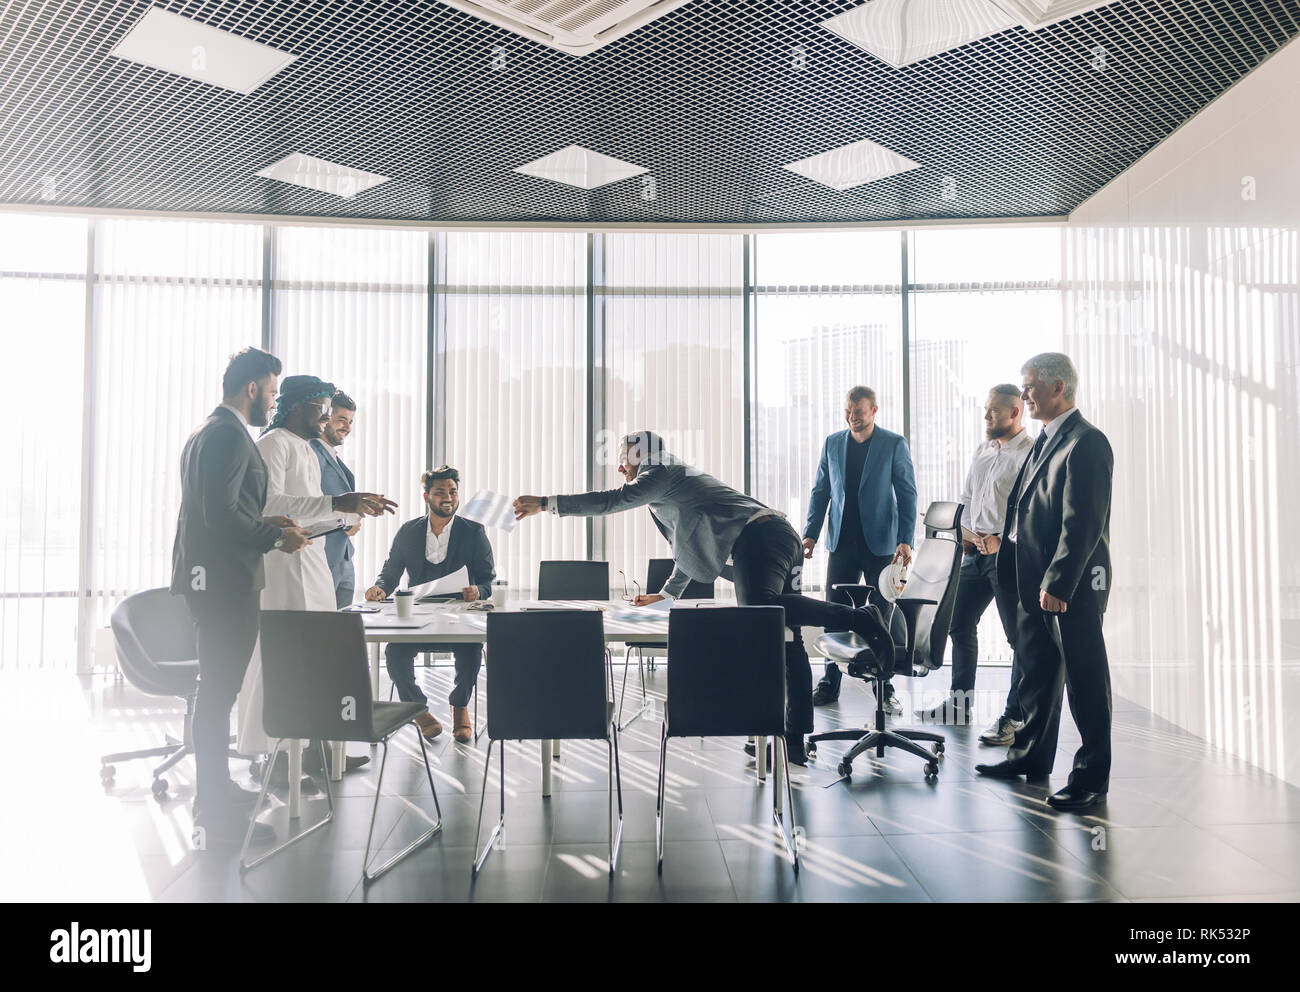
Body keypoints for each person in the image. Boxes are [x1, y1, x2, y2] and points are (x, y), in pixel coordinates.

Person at [513, 431, 897, 766]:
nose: (620, 469)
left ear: (642, 453)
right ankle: (794, 742)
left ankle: (860, 619)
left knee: (761, 615)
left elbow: (614, 500)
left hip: (761, 539)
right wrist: (666, 596)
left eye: (622, 460)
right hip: (776, 536)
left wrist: (548, 503)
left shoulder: (660, 470)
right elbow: (691, 546)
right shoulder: (671, 485)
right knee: (785, 636)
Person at [171, 346, 310, 846]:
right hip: (226, 585)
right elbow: (222, 518)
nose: (273, 402)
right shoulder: (229, 437)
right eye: (272, 392)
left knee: (217, 694)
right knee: (218, 697)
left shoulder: (206, 432)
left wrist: (267, 521)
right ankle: (214, 808)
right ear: (252, 388)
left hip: (214, 579)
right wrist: (276, 537)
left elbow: (220, 511)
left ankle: (215, 792)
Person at [235, 375, 397, 778]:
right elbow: (269, 504)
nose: (327, 417)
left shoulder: (304, 448)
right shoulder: (272, 445)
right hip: (283, 570)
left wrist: (347, 512)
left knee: (312, 664)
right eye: (321, 408)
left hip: (313, 565)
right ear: (298, 406)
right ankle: (272, 757)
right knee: (284, 662)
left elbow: (310, 509)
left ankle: (307, 750)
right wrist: (335, 502)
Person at [975, 353, 1114, 812]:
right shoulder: (1045, 439)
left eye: (1031, 385)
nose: (1025, 393)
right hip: (1032, 582)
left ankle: (1091, 779)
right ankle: (1030, 757)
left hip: (1067, 587)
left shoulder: (1087, 442)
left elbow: (1083, 524)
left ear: (1059, 388)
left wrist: (1058, 582)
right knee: (1037, 674)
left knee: (1085, 680)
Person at [915, 383, 1032, 737]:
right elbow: (968, 496)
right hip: (973, 553)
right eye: (985, 409)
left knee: (1018, 639)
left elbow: (1029, 508)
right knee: (958, 623)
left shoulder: (1029, 453)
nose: (986, 416)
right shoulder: (983, 450)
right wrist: (964, 534)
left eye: (993, 410)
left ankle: (1014, 717)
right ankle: (959, 705)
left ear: (1014, 412)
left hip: (1006, 555)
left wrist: (1002, 539)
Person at [802, 386, 917, 714]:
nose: (853, 416)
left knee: (882, 616)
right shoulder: (832, 443)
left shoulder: (893, 443)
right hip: (841, 543)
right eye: (848, 411)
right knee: (833, 613)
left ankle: (885, 685)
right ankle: (829, 682)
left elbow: (907, 494)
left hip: (881, 544)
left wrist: (905, 539)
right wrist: (810, 533)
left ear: (874, 410)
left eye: (859, 411)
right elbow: (820, 491)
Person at [365, 466, 495, 744]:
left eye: (452, 491)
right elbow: (390, 573)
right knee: (395, 654)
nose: (447, 497)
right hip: (416, 615)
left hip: (458, 615)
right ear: (427, 496)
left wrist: (478, 590)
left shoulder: (473, 532)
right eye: (440, 492)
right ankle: (418, 709)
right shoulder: (408, 531)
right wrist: (380, 588)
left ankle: (459, 706)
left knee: (471, 650)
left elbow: (488, 580)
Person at [311, 390, 361, 609]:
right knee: (321, 631)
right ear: (325, 417)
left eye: (350, 421)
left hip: (344, 557)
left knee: (340, 633)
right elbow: (309, 500)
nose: (347, 427)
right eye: (341, 419)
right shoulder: (310, 452)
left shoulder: (333, 456)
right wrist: (346, 519)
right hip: (322, 557)